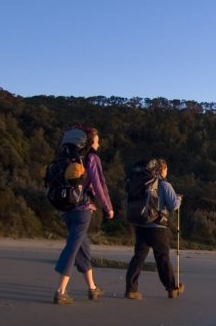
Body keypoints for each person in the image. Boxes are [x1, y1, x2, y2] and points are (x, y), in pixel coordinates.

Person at [53, 125, 114, 305]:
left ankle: (92, 288)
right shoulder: (91, 158)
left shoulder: (67, 157)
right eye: (97, 140)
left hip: (66, 209)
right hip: (82, 209)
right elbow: (99, 184)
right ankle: (60, 291)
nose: (99, 144)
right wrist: (108, 207)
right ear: (89, 142)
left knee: (82, 248)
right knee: (73, 247)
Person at [124, 158, 183, 300]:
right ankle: (171, 288)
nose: (167, 172)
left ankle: (131, 289)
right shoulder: (164, 184)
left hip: (141, 224)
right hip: (157, 227)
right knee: (162, 258)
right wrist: (179, 199)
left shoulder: (143, 183)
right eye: (166, 169)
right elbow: (173, 205)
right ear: (162, 170)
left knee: (138, 257)